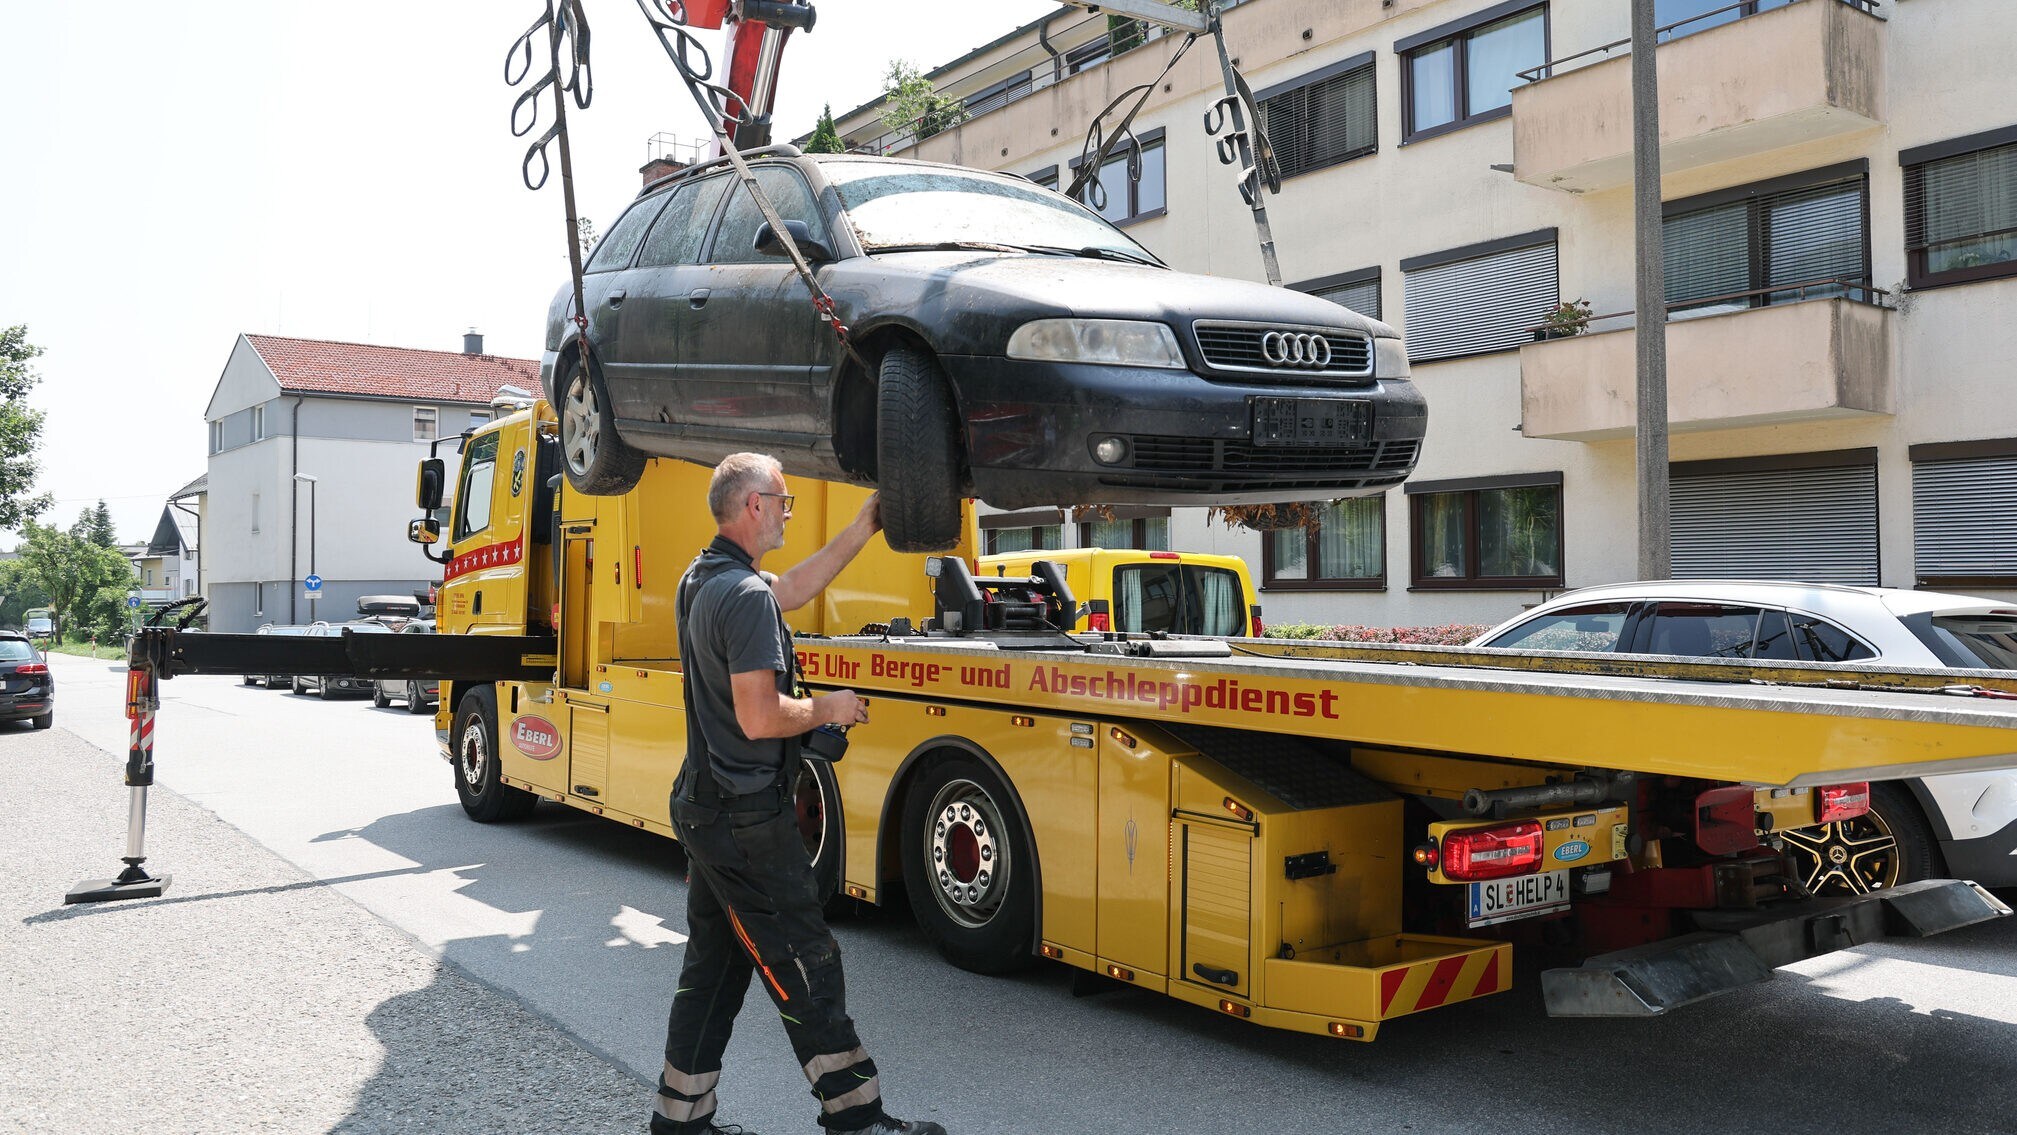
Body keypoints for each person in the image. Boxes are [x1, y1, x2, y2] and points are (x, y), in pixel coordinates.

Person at [653, 453, 948, 1135]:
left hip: (705, 803)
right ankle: (857, 1115)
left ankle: (678, 1119)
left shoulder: (703, 579)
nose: (787, 511)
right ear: (754, 505)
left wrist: (862, 527)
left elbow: (785, 587)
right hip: (748, 815)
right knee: (807, 961)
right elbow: (760, 717)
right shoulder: (743, 595)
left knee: (716, 965)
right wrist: (828, 707)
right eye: (783, 502)